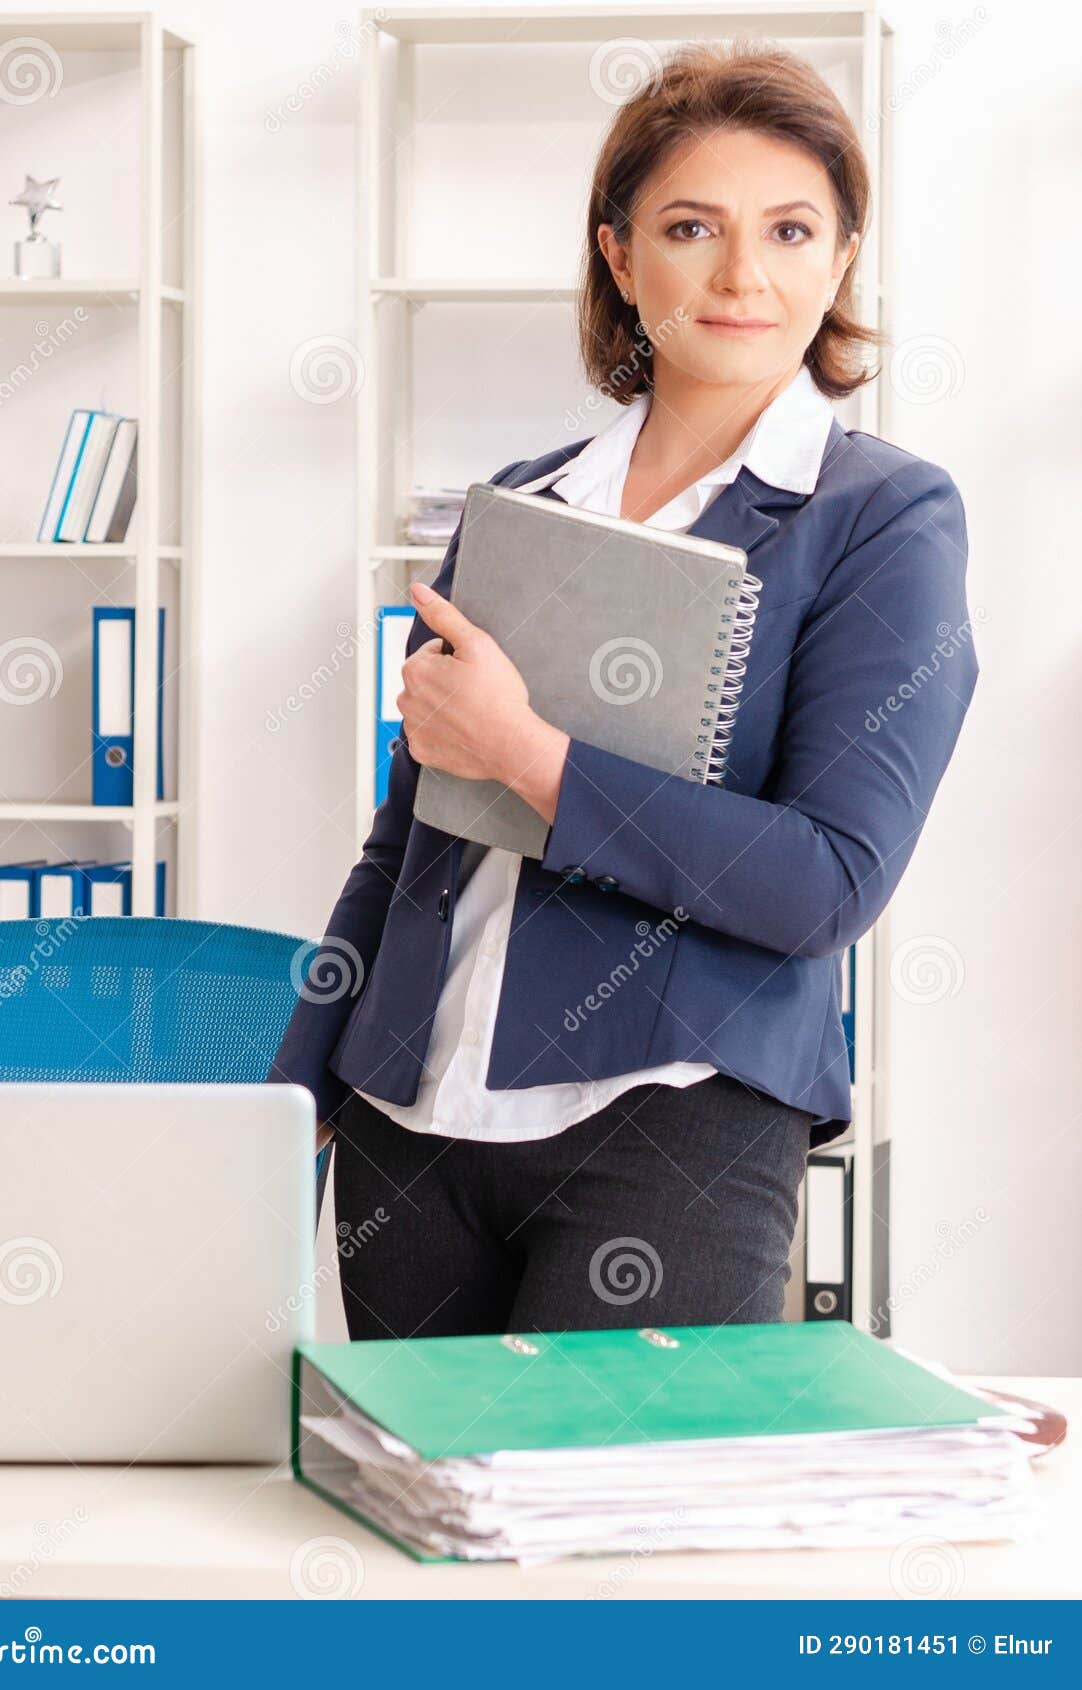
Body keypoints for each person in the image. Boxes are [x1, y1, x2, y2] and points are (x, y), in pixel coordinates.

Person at [268, 41, 979, 1340]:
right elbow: (403, 843)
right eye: (689, 227)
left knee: (621, 1531)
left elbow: (826, 882)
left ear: (839, 260)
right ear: (617, 255)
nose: (739, 273)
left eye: (788, 229)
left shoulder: (881, 518)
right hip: (409, 1126)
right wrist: (292, 1091)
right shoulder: (523, 504)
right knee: (424, 1529)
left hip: (674, 1121)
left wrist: (533, 754)